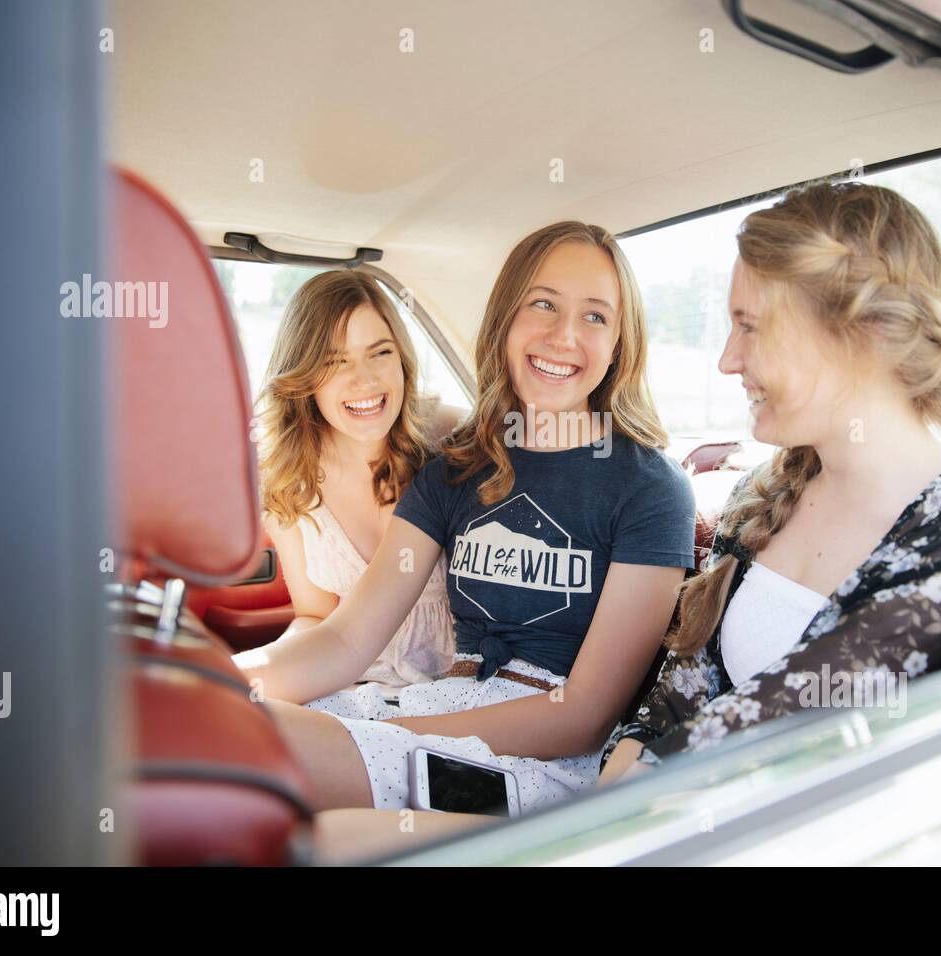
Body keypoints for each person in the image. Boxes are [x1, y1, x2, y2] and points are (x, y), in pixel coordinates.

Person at [235, 221, 697, 824]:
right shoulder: (455, 471)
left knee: (260, 752)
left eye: (594, 317)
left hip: (544, 761)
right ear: (506, 318)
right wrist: (212, 678)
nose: (563, 336)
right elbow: (346, 639)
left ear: (619, 343)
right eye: (543, 305)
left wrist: (401, 729)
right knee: (229, 723)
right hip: (442, 702)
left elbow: (584, 717)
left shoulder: (649, 487)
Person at [600, 180, 941, 783]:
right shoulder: (761, 495)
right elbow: (671, 706)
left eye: (751, 327)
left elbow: (758, 744)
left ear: (864, 332)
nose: (727, 359)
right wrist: (618, 777)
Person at [256, 269, 462, 699]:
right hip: (356, 689)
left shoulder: (455, 440)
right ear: (304, 375)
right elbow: (315, 617)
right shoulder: (289, 479)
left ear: (402, 359)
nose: (364, 379)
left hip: (461, 690)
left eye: (379, 352)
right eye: (335, 361)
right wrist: (266, 672)